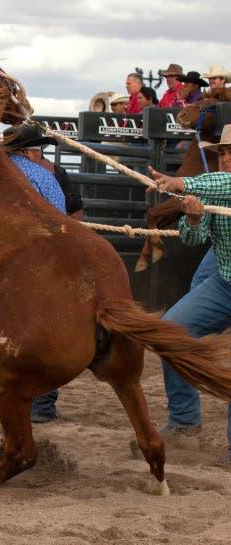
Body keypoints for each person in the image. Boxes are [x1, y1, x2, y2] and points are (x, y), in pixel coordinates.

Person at [147, 123, 231, 467]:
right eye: (223, 153)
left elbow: (227, 184)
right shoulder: (213, 189)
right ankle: (184, 420)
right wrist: (194, 219)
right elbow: (194, 241)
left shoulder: (216, 184)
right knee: (171, 331)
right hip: (225, 281)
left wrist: (180, 183)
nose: (226, 159)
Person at [0, 125, 68, 422]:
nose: (41, 155)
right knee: (43, 333)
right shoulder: (42, 177)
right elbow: (59, 222)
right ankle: (42, 404)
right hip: (36, 263)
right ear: (29, 151)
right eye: (39, 150)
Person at [5, 124, 84, 219]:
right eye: (39, 149)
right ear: (27, 152)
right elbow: (59, 218)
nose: (41, 153)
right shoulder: (44, 177)